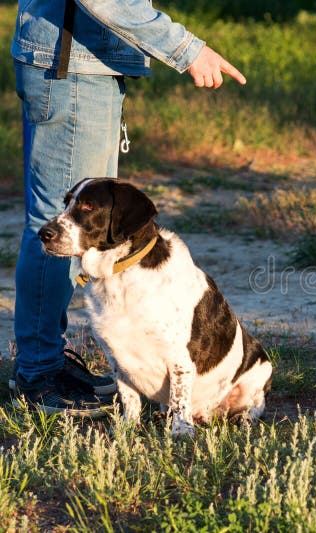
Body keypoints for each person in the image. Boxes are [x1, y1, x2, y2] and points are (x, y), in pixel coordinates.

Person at [10, 0, 246, 417]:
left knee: (85, 225)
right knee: (61, 225)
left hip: (84, 61)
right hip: (74, 65)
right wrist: (187, 49)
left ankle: (45, 361)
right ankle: (39, 374)